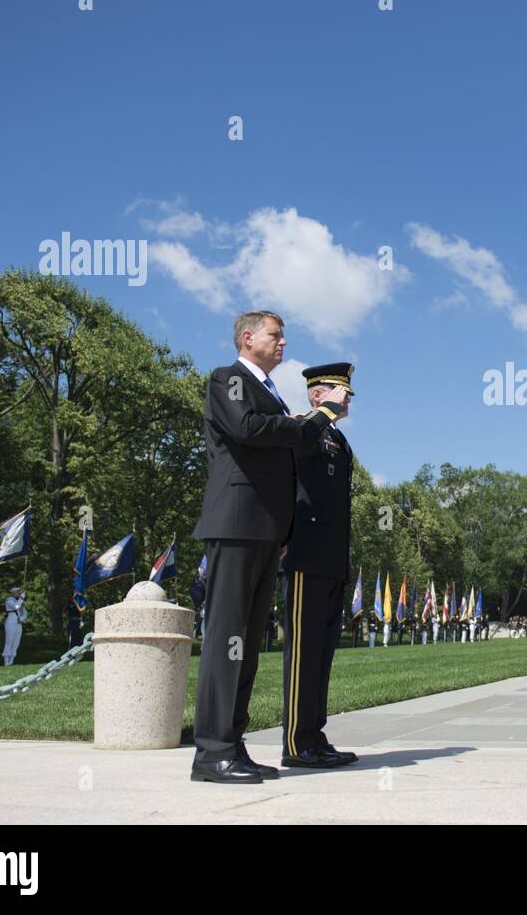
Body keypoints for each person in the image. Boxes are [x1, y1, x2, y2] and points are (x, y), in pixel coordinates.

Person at [190, 311, 336, 785]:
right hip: (236, 523)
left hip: (264, 529)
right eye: (276, 335)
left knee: (246, 645)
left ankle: (233, 744)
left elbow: (275, 438)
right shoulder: (227, 379)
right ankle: (211, 752)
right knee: (225, 640)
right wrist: (308, 423)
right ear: (248, 337)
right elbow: (248, 429)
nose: (283, 342)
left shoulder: (272, 391)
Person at [279, 363, 360, 770]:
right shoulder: (301, 427)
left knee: (323, 652)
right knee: (303, 651)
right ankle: (296, 741)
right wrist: (320, 414)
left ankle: (315, 733)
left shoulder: (338, 440)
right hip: (305, 555)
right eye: (338, 391)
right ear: (316, 394)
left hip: (331, 557)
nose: (346, 399)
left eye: (348, 393)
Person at [3, 586, 27, 666]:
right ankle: (6, 661)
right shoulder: (9, 600)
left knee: (16, 642)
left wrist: (23, 618)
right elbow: (16, 607)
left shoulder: (19, 601)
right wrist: (21, 599)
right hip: (11, 622)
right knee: (9, 641)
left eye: (20, 592)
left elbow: (25, 611)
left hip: (18, 623)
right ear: (13, 593)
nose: (19, 593)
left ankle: (11, 662)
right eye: (18, 592)